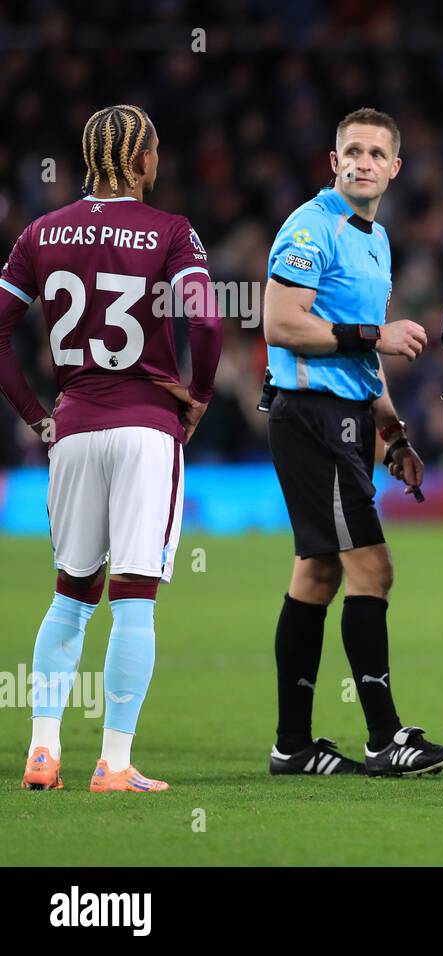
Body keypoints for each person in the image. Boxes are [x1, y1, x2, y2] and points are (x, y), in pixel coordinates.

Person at [0, 104, 222, 792]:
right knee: (133, 599)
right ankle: (116, 763)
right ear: (143, 158)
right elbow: (207, 318)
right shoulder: (171, 232)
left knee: (70, 597)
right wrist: (201, 392)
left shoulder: (41, 232)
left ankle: (43, 752)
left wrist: (37, 416)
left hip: (72, 429)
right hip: (144, 428)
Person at [262, 108, 443, 778]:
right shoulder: (310, 227)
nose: (364, 161)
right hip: (311, 417)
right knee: (372, 569)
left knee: (316, 575)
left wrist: (392, 429)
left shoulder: (374, 240)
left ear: (394, 168)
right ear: (333, 159)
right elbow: (281, 324)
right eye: (353, 150)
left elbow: (360, 357)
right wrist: (374, 336)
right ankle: (384, 739)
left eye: (377, 153)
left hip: (343, 418)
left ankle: (293, 747)